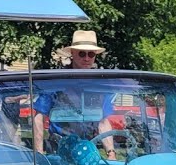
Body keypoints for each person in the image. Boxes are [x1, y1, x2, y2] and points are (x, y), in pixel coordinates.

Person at [32, 30, 117, 158]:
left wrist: (111, 153)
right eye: (82, 54)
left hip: (88, 153)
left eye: (91, 54)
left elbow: (103, 122)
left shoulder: (100, 86)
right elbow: (39, 118)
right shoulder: (56, 81)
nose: (87, 58)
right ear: (72, 53)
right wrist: (38, 153)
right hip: (58, 151)